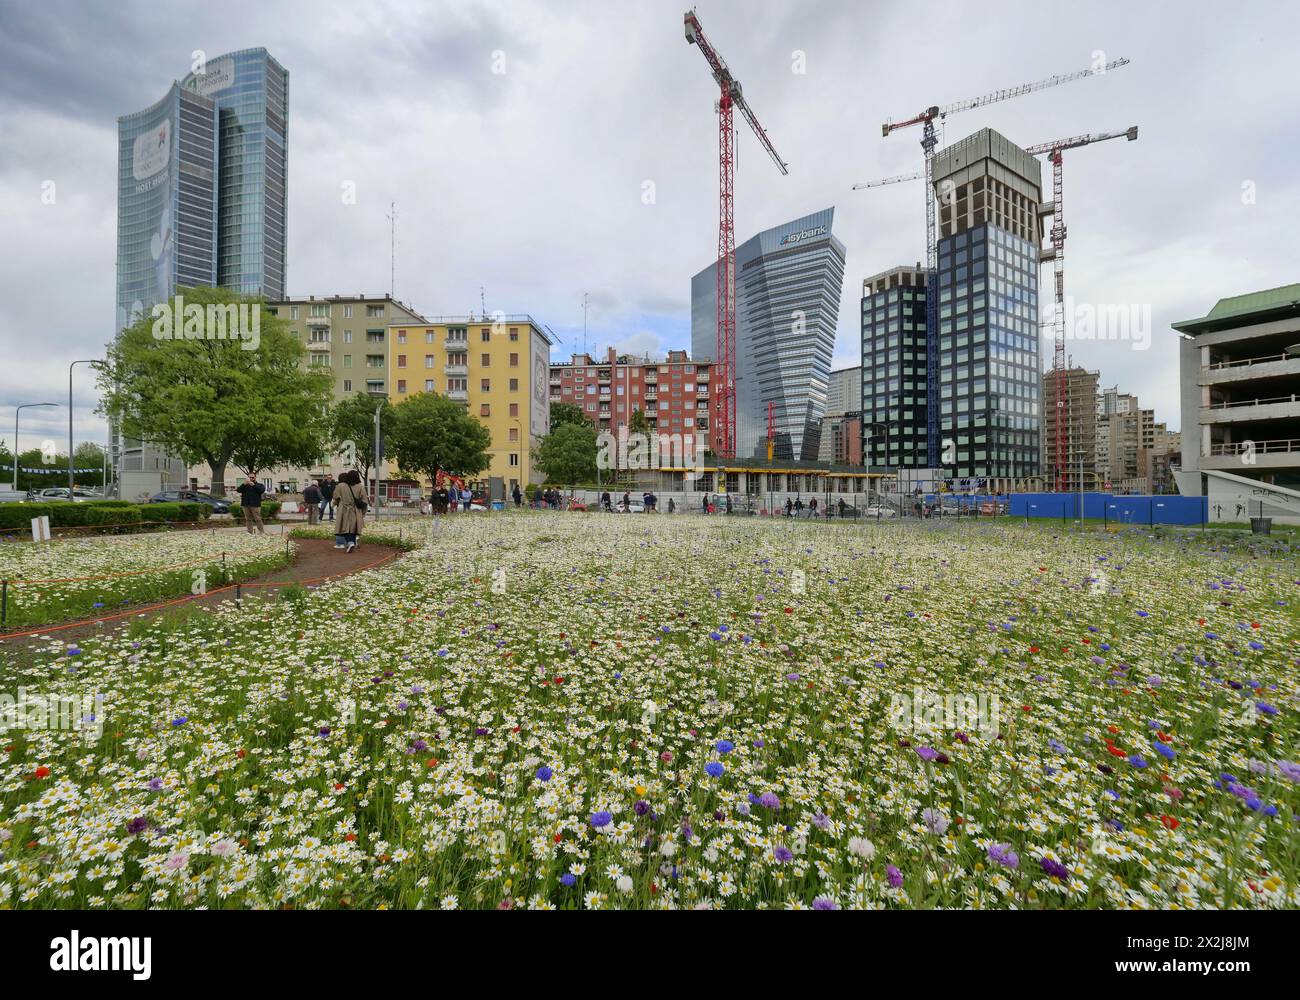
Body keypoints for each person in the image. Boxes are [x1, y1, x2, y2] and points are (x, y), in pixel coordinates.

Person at [334, 470, 367, 552]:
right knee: (354, 528)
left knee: (343, 527)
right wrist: (363, 512)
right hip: (356, 510)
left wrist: (336, 504)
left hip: (344, 510)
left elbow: (335, 496)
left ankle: (350, 542)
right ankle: (353, 541)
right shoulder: (360, 487)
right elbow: (365, 501)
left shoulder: (341, 485)